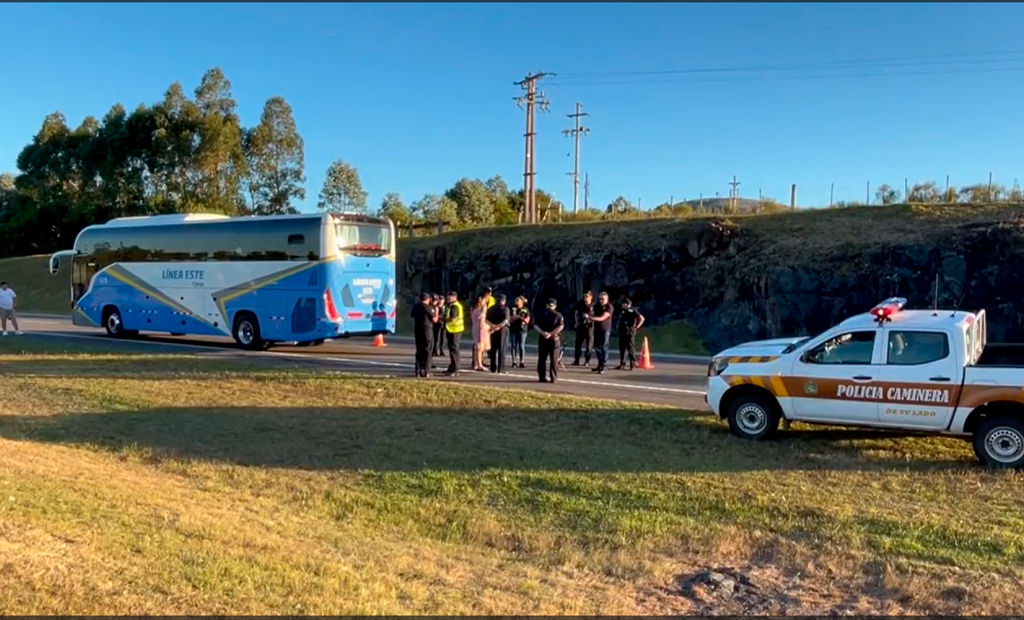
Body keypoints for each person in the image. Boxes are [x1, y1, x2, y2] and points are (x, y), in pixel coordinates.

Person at [533, 298, 565, 383]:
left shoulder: (540, 313)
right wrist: (551, 334)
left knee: (542, 359)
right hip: (554, 338)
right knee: (553, 359)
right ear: (555, 306)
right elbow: (561, 326)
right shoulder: (558, 315)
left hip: (544, 338)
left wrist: (543, 333)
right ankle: (553, 377)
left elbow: (535, 325)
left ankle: (542, 377)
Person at [410, 292, 438, 377]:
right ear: (428, 299)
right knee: (428, 350)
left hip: (418, 329)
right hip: (427, 330)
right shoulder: (428, 307)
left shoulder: (416, 307)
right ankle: (427, 370)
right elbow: (435, 319)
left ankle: (418, 370)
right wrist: (436, 311)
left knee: (419, 350)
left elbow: (412, 315)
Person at [615, 297, 645, 370]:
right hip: (622, 331)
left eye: (624, 304)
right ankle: (622, 363)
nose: (623, 305)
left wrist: (637, 327)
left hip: (629, 331)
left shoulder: (632, 310)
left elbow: (642, 318)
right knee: (622, 348)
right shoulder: (623, 311)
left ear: (628, 304)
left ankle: (632, 363)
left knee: (630, 348)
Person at [590, 291, 614, 374]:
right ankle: (600, 364)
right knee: (597, 347)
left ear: (607, 299)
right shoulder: (597, 306)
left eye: (603, 299)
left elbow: (603, 317)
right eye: (600, 299)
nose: (601, 301)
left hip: (605, 329)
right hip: (597, 329)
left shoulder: (609, 307)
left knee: (604, 347)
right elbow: (592, 313)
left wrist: (592, 318)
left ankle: (604, 365)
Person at [487, 294, 511, 374]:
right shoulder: (505, 309)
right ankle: (501, 368)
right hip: (503, 330)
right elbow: (505, 321)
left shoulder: (491, 308)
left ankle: (493, 367)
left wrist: (493, 326)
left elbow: (486, 319)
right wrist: (498, 326)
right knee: (502, 349)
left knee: (493, 349)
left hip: (493, 329)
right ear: (504, 301)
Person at [442, 291, 464, 376]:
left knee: (454, 350)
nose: (448, 298)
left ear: (455, 297)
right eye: (448, 296)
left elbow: (453, 318)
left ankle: (455, 369)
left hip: (455, 330)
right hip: (452, 330)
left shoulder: (455, 306)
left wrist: (443, 320)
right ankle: (452, 366)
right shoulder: (451, 305)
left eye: (450, 297)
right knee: (452, 350)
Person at [573, 291, 594, 366]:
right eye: (584, 296)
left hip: (590, 327)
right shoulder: (580, 304)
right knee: (578, 344)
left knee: (589, 345)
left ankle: (587, 360)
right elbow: (576, 313)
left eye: (587, 296)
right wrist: (576, 322)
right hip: (581, 326)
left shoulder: (594, 305)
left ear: (591, 297)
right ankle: (576, 360)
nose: (585, 298)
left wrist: (590, 318)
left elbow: (597, 316)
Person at [508, 296, 530, 369]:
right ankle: (514, 361)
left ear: (522, 301)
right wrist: (512, 318)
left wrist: (519, 317)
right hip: (513, 329)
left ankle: (522, 361)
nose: (516, 301)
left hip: (522, 330)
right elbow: (509, 319)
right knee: (513, 345)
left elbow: (527, 320)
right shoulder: (512, 309)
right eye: (516, 300)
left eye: (518, 300)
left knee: (521, 345)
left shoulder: (525, 309)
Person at [470, 296, 490, 372]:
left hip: (475, 328)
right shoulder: (480, 310)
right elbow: (482, 321)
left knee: (477, 347)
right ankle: (479, 364)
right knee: (479, 348)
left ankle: (476, 363)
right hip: (480, 329)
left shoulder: (473, 309)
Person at [431, 294, 446, 363]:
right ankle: (435, 350)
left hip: (444, 324)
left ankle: (442, 350)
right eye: (440, 300)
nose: (441, 301)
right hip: (437, 324)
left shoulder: (445, 307)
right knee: (437, 337)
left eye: (442, 300)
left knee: (443, 338)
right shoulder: (436, 307)